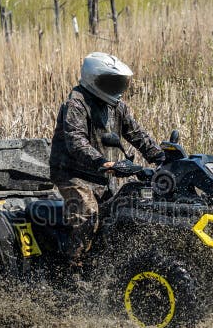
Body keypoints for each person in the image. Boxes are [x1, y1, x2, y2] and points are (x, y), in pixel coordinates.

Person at [49, 52, 165, 263]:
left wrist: (161, 157)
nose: (117, 87)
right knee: (88, 214)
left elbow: (137, 134)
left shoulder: (117, 106)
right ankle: (72, 269)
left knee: (120, 214)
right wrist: (104, 163)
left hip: (102, 176)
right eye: (112, 82)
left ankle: (106, 266)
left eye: (119, 82)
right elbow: (76, 141)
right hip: (72, 175)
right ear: (94, 79)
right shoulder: (76, 103)